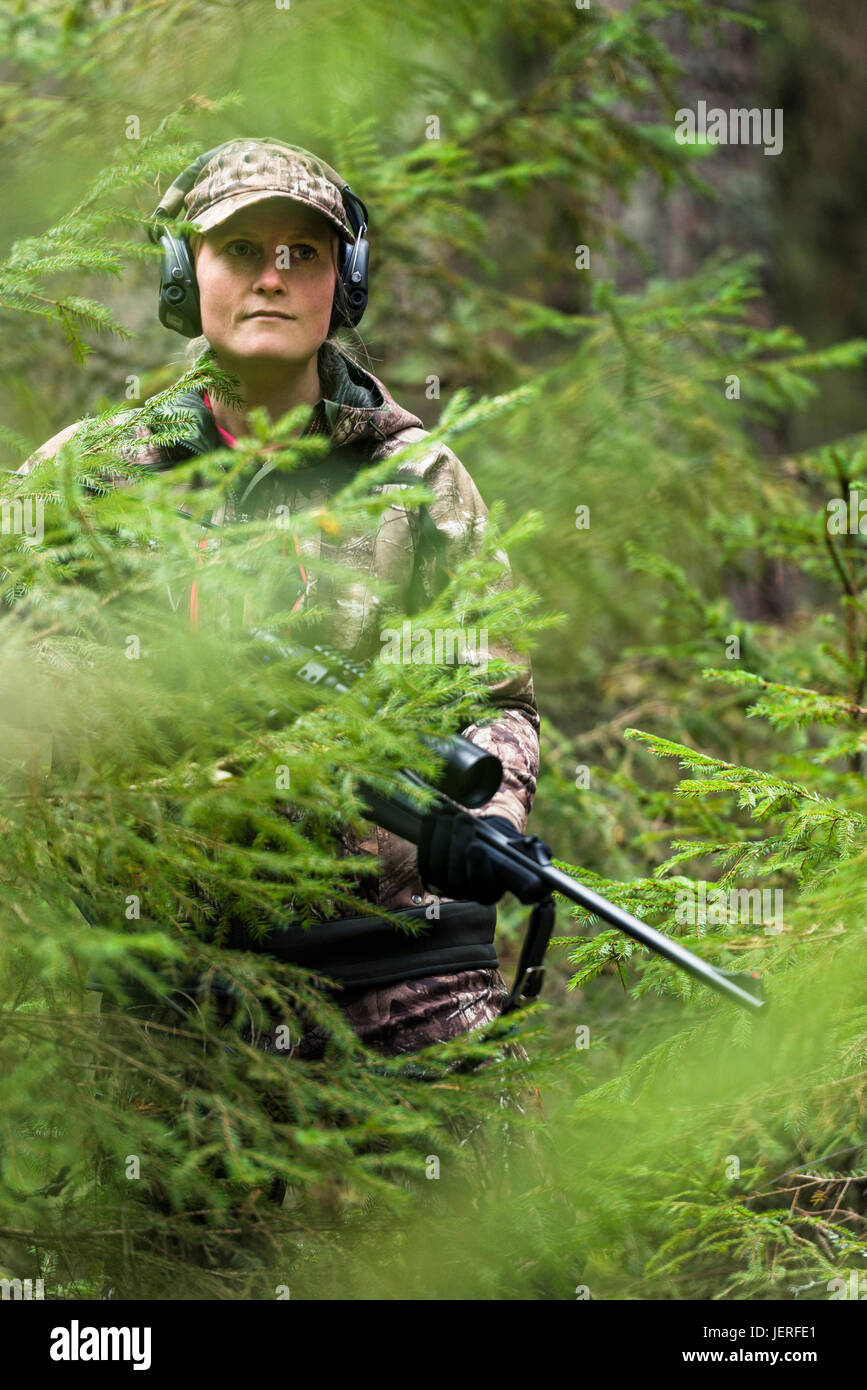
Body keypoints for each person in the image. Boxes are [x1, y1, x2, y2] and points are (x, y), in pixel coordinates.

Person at [17, 137, 543, 1065]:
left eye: (303, 253)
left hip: (395, 966)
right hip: (153, 979)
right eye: (240, 251)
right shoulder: (88, 475)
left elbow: (490, 696)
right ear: (185, 275)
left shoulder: (416, 479)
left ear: (344, 280)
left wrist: (487, 823)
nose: (273, 277)